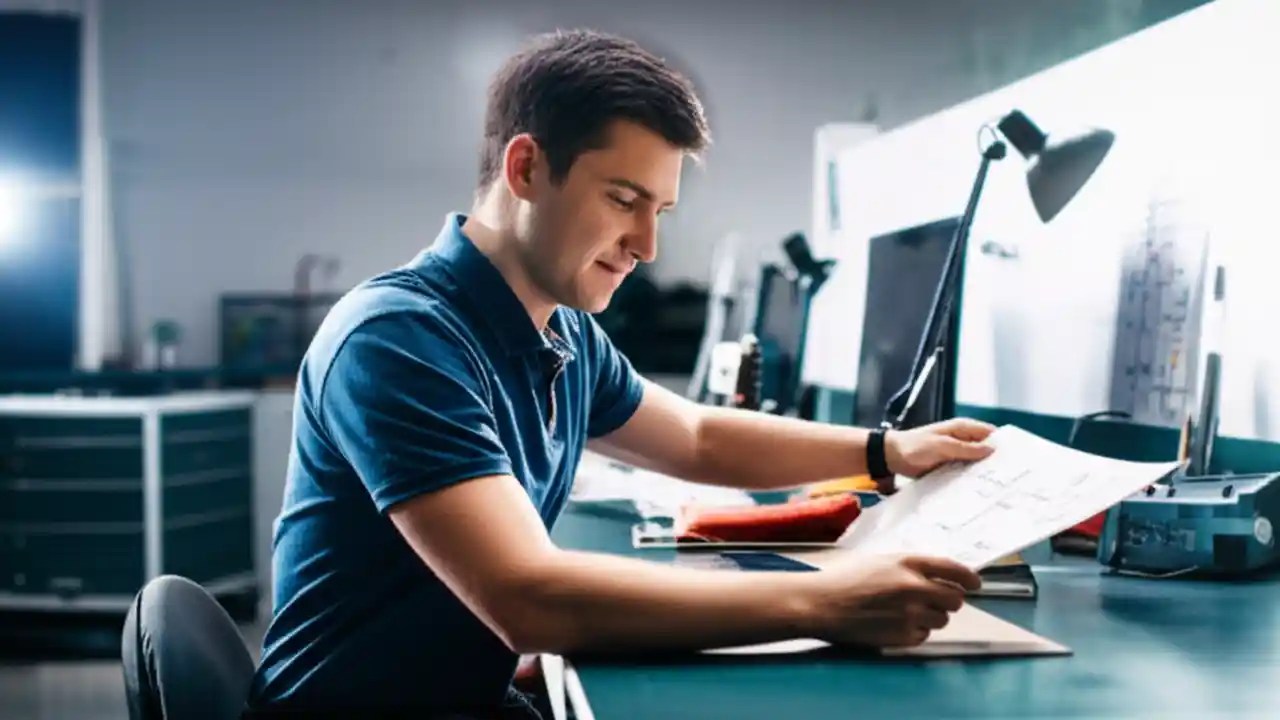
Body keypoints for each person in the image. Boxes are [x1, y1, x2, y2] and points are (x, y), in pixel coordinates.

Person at [245, 28, 995, 719]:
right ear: (527, 168)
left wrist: (886, 451)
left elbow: (696, 436)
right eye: (623, 200)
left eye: (661, 210)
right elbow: (529, 597)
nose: (646, 245)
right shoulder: (399, 339)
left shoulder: (562, 329)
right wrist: (828, 602)